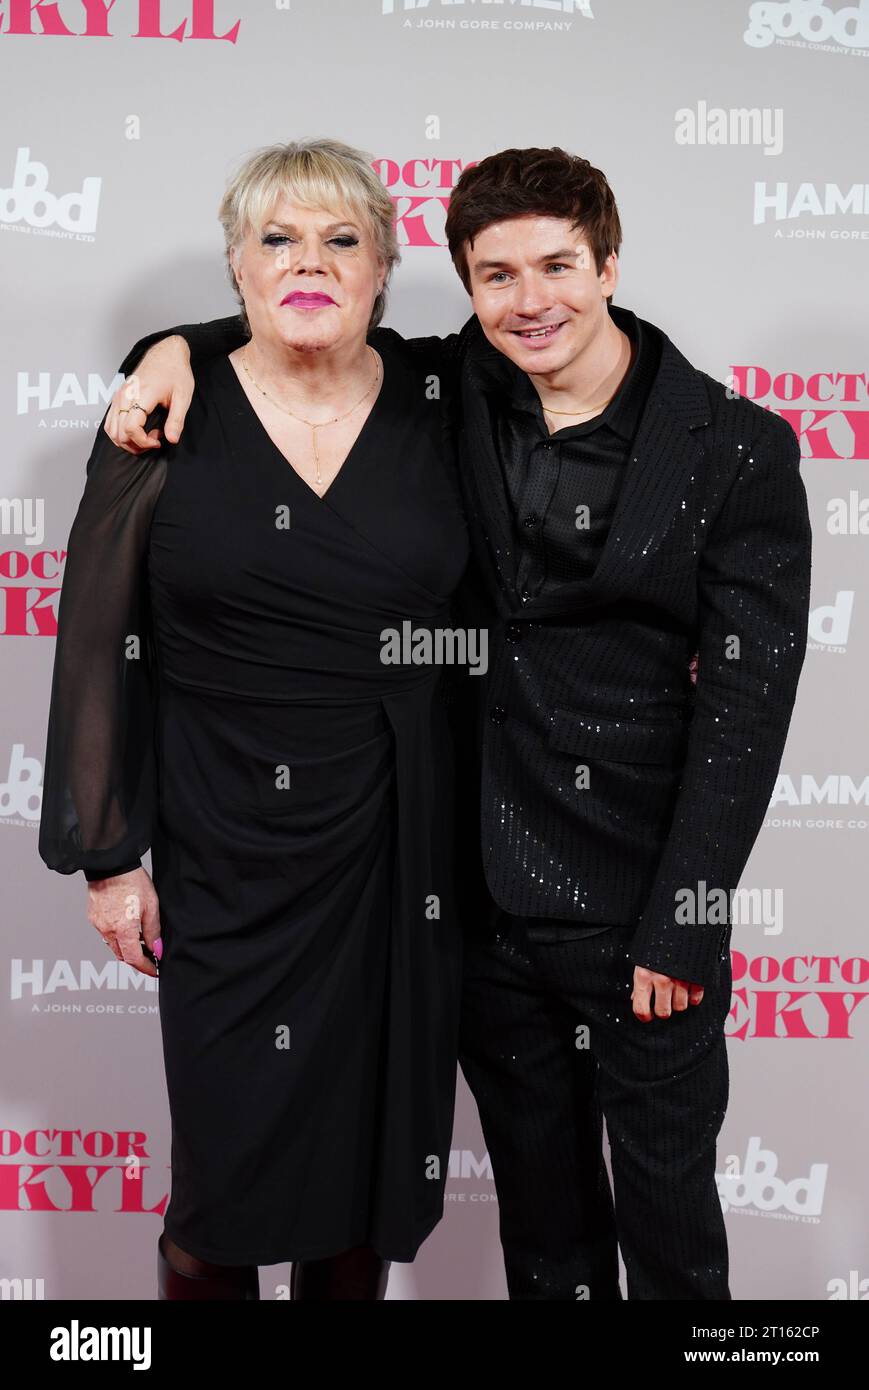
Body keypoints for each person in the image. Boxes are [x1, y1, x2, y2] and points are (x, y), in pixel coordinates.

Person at [103, 146, 812, 1300]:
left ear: (609, 264)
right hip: (473, 896)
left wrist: (684, 922)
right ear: (464, 288)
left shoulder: (731, 447)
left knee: (671, 1233)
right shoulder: (450, 388)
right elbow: (294, 312)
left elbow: (747, 708)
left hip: (638, 905)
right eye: (495, 276)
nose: (529, 301)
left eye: (556, 267)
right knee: (542, 1231)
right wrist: (165, 350)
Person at [38, 138, 471, 1301]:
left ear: (384, 265)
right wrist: (109, 855)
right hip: (223, 842)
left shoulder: (445, 396)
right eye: (276, 238)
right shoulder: (164, 407)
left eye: (341, 240)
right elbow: (96, 631)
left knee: (368, 1176)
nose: (309, 263)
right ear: (236, 266)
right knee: (221, 1196)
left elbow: (578, 364)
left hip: (395, 843)